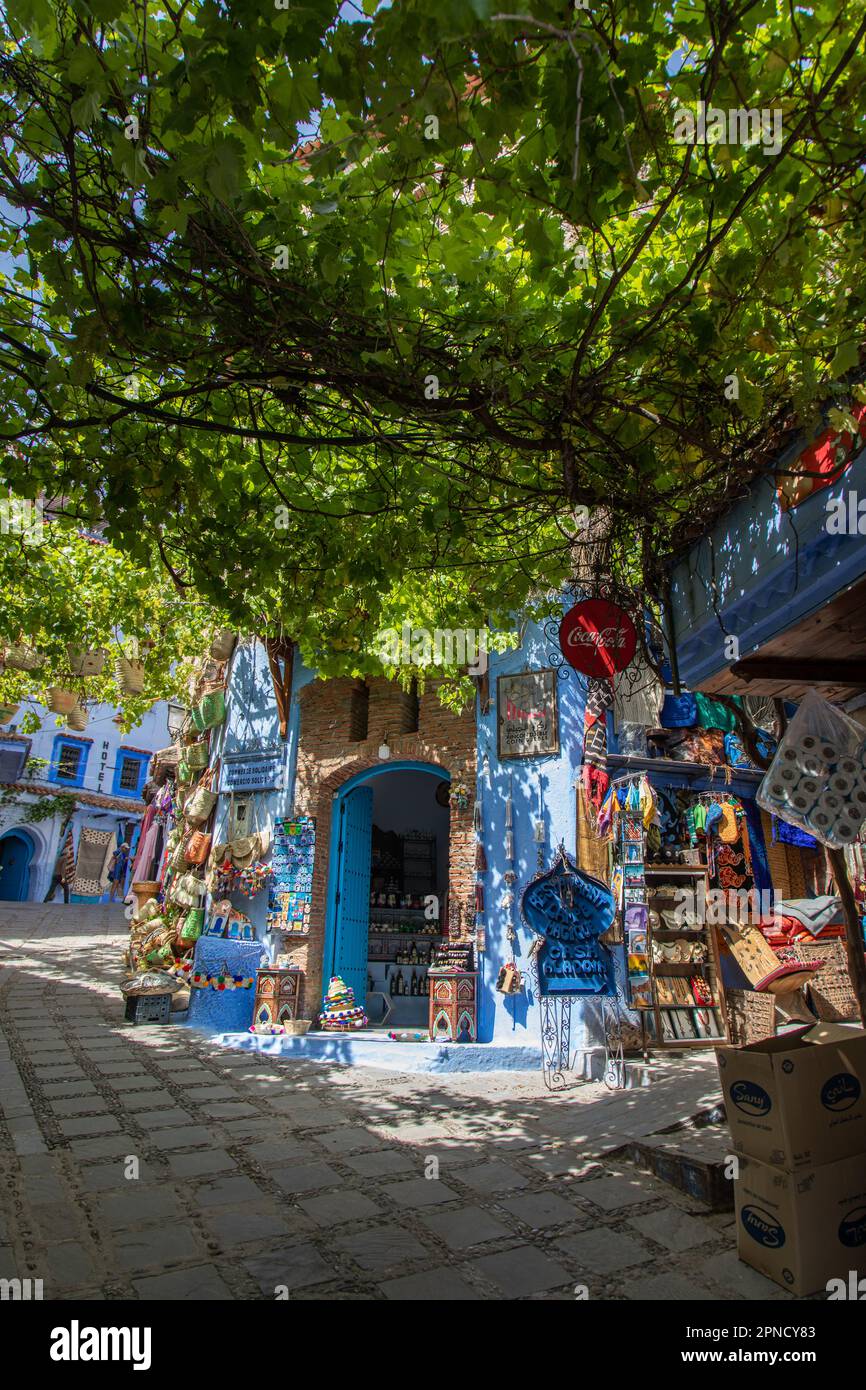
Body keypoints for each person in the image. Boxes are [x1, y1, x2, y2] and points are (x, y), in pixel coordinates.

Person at [44, 833, 75, 904]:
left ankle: (45, 901)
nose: (69, 853)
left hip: (55, 875)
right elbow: (63, 868)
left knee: (51, 890)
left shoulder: (59, 858)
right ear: (67, 853)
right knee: (66, 889)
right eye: (69, 852)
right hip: (60, 876)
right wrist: (63, 877)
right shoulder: (65, 859)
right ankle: (66, 903)